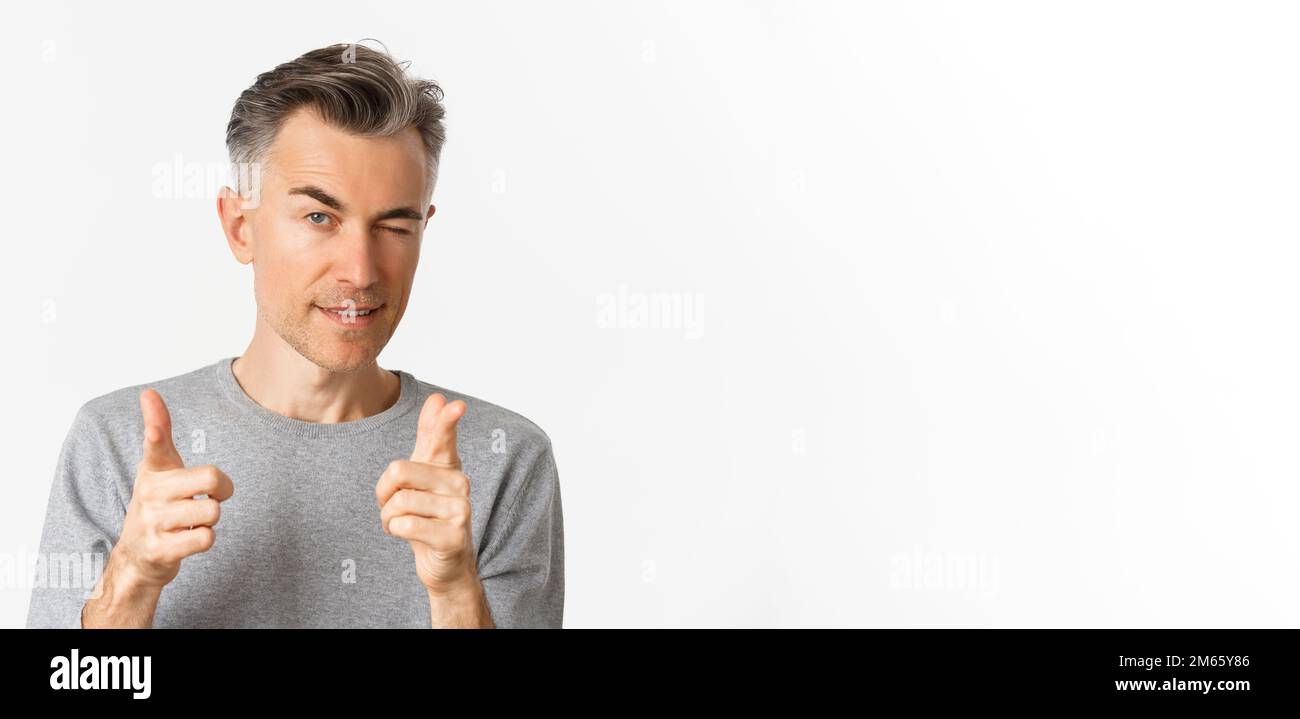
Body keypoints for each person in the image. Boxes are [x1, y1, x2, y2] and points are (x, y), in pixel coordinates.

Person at [25, 42, 564, 629]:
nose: (360, 270)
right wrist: (128, 586)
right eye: (318, 218)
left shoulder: (503, 457)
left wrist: (455, 590)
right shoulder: (114, 441)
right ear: (240, 227)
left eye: (393, 225)